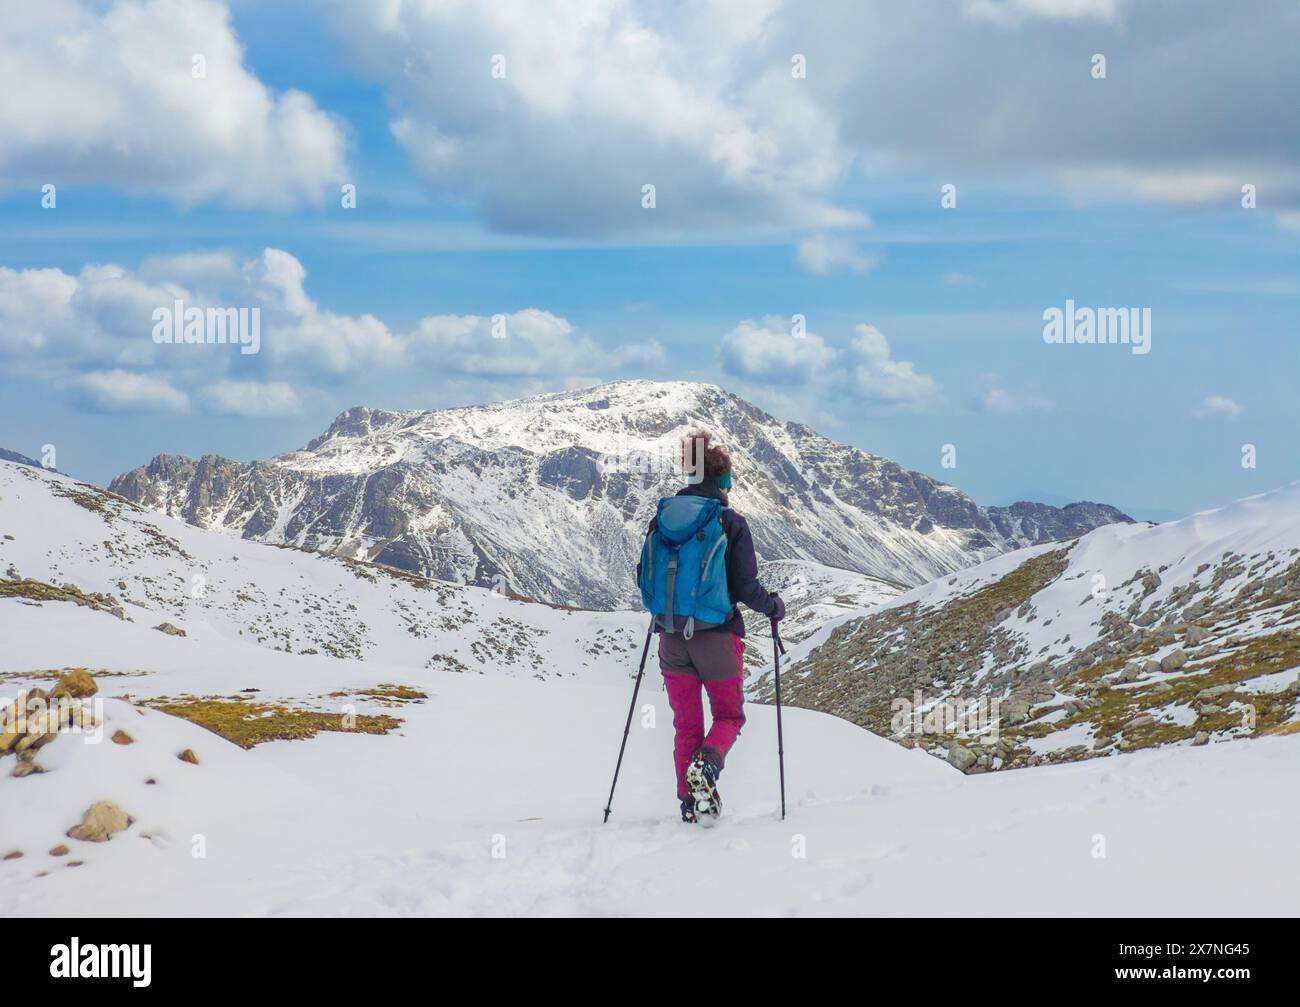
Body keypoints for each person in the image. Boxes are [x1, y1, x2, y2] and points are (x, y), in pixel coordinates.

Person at [637, 430, 784, 822]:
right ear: (721, 480)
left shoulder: (661, 520)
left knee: (687, 725)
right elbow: (745, 586)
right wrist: (772, 607)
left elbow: (643, 577)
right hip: (717, 639)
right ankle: (707, 767)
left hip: (670, 639)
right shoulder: (729, 521)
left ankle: (690, 803)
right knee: (729, 717)